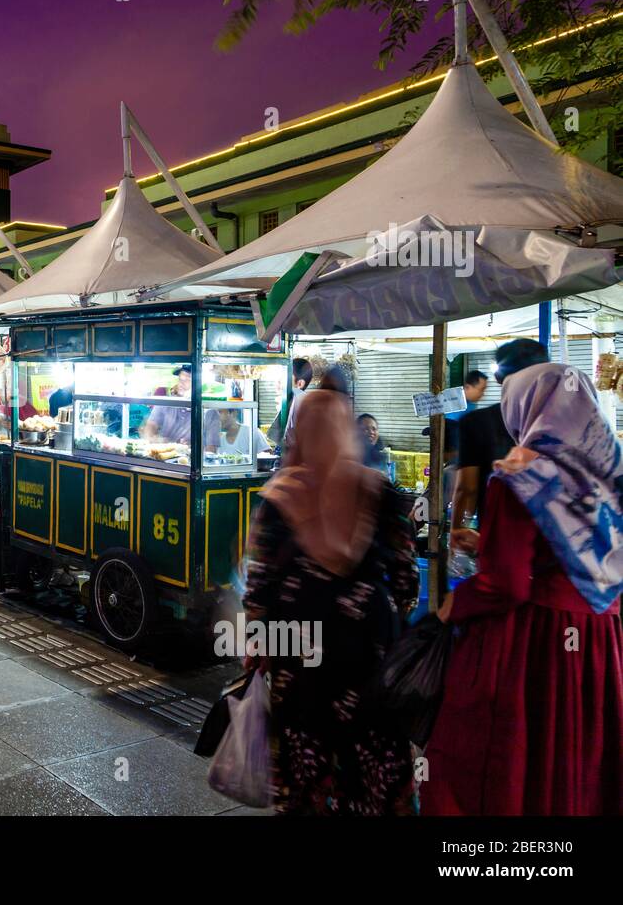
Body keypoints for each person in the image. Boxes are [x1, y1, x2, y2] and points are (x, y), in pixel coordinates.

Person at [424, 363, 623, 815]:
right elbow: (580, 554)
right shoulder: (609, 472)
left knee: (520, 760)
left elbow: (507, 584)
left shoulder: (520, 473)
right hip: (598, 639)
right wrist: (489, 545)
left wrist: (457, 603)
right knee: (581, 757)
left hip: (539, 641)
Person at [243, 388, 418, 814]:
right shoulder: (382, 491)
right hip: (371, 659)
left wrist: (255, 650)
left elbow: (259, 592)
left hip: (300, 662)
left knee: (309, 760)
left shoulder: (280, 497)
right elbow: (407, 582)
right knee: (371, 758)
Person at [450, 338, 549, 551]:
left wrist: (457, 531)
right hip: (555, 549)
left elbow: (467, 489)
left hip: (499, 544)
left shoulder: (476, 422)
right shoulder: (565, 422)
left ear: (498, 378)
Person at [142, 365, 196, 444]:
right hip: (165, 453)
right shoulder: (166, 402)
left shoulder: (208, 412)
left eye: (187, 380)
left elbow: (211, 450)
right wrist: (155, 440)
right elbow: (150, 427)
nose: (181, 383)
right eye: (180, 379)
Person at [274, 357, 313, 451]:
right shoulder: (289, 402)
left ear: (299, 384)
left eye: (284, 378)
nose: (277, 383)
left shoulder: (302, 404)